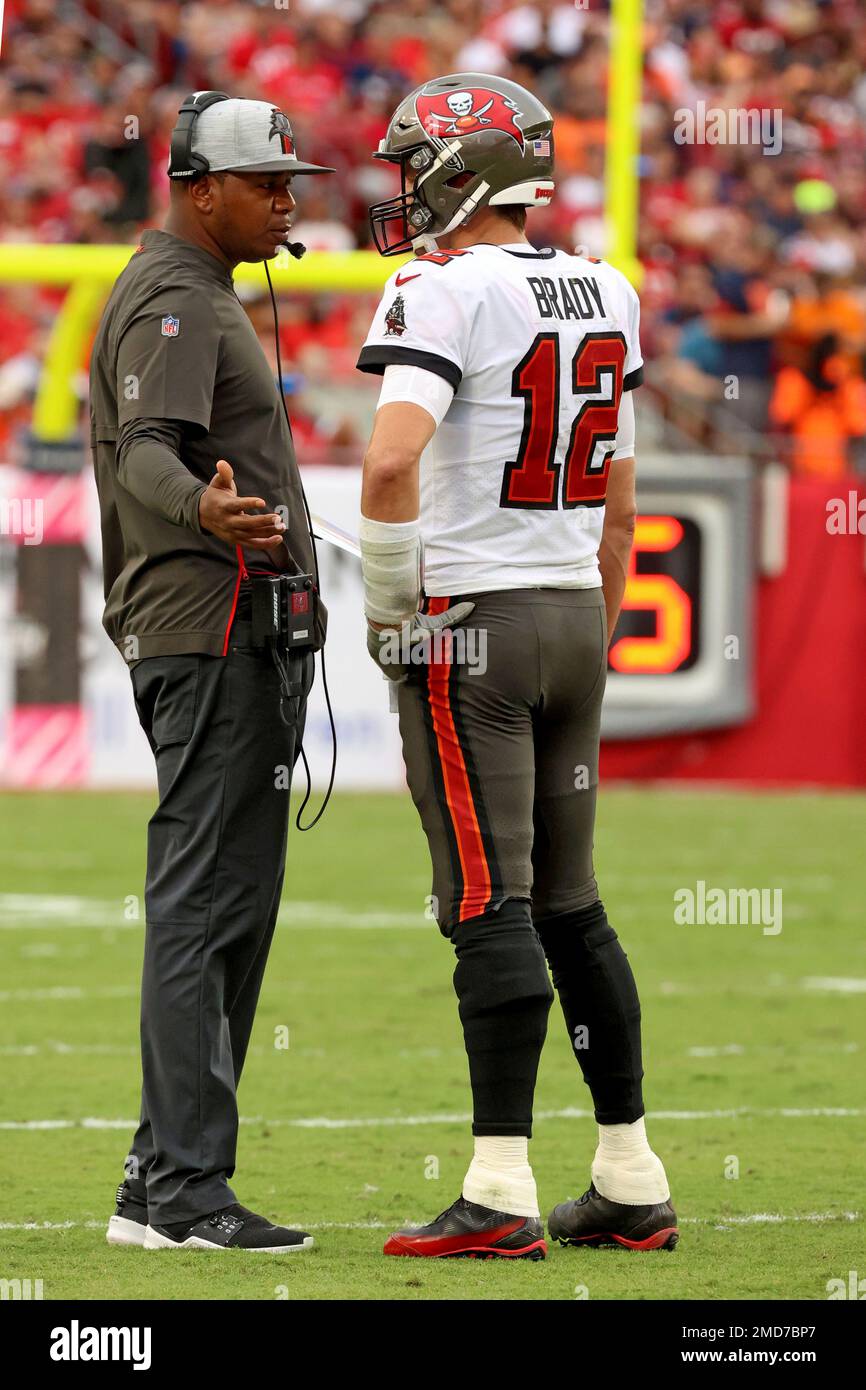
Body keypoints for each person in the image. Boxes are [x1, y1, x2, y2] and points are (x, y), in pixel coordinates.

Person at [356, 72, 677, 1259]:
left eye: (412, 167)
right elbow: (621, 501)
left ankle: (496, 1187)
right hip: (574, 614)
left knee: (485, 899)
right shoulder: (606, 284)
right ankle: (628, 1173)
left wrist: (395, 609)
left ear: (459, 171)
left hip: (473, 623)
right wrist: (587, 608)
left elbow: (390, 470)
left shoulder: (437, 289)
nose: (400, 191)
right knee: (571, 901)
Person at [90, 93, 331, 1254]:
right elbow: (143, 450)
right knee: (203, 900)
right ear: (198, 186)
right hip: (207, 625)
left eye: (292, 177)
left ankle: (157, 1177)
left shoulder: (195, 292)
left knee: (230, 900)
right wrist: (204, 507)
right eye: (266, 180)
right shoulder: (178, 303)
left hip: (229, 625)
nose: (287, 197)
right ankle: (187, 1186)